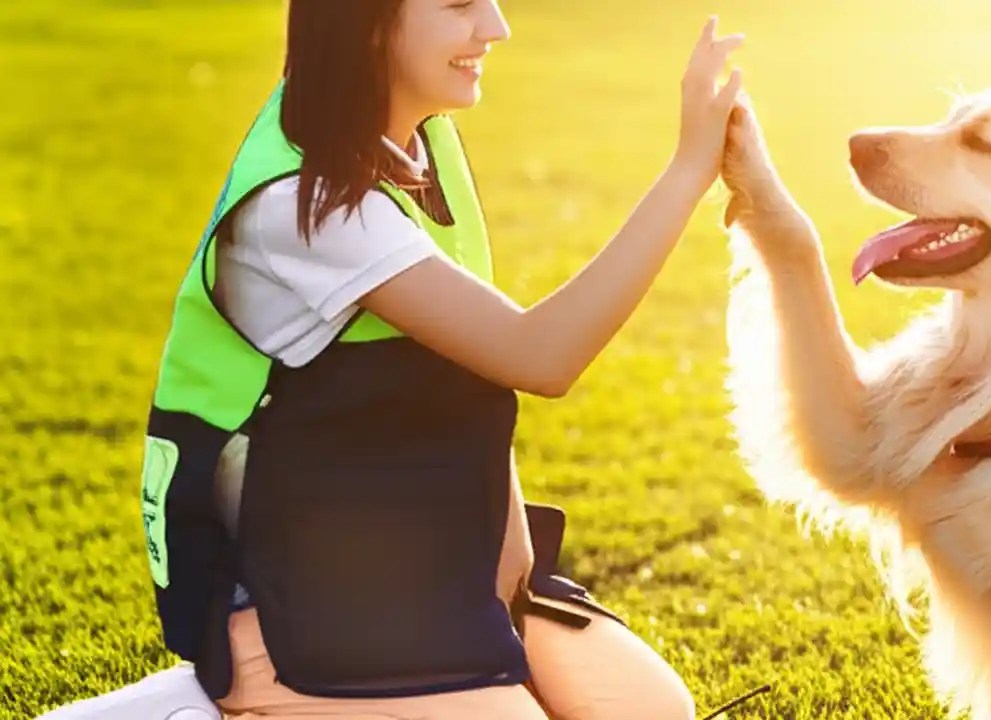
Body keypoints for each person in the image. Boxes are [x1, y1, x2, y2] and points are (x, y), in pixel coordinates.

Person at [37, 1, 744, 718]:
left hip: (419, 563)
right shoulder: (302, 202)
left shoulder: (422, 140)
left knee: (653, 710)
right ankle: (196, 708)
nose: (495, 26)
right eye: (460, 4)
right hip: (291, 604)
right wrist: (689, 167)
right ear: (367, 21)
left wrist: (503, 604)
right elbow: (541, 356)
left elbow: (470, 384)